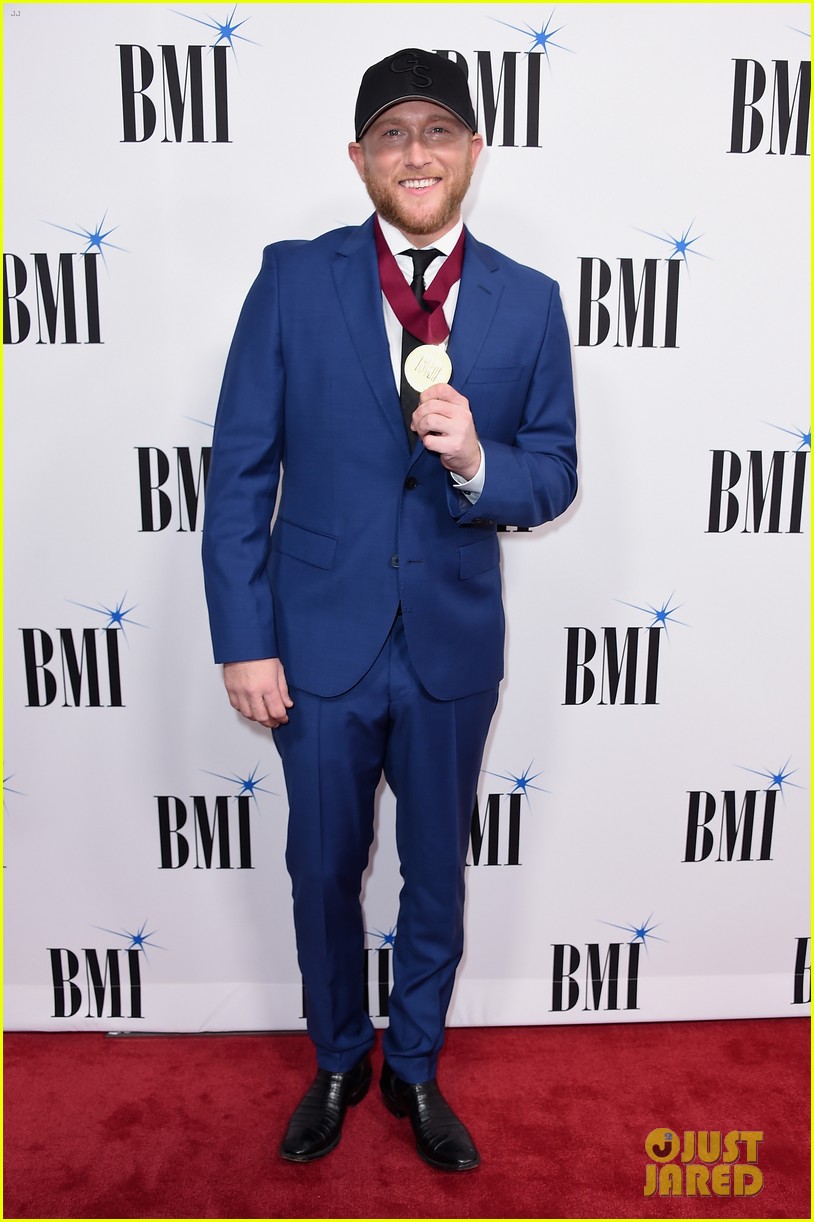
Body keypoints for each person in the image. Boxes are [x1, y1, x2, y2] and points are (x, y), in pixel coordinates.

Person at [202, 48, 577, 1172]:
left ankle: (412, 1066)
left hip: (454, 646)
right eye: (393, 133)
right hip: (313, 645)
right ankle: (336, 1053)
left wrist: (477, 463)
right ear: (360, 156)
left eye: (439, 132)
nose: (417, 153)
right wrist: (244, 639)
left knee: (437, 867)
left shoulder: (529, 300)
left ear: (473, 153)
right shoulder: (291, 278)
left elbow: (553, 471)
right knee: (321, 863)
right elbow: (238, 473)